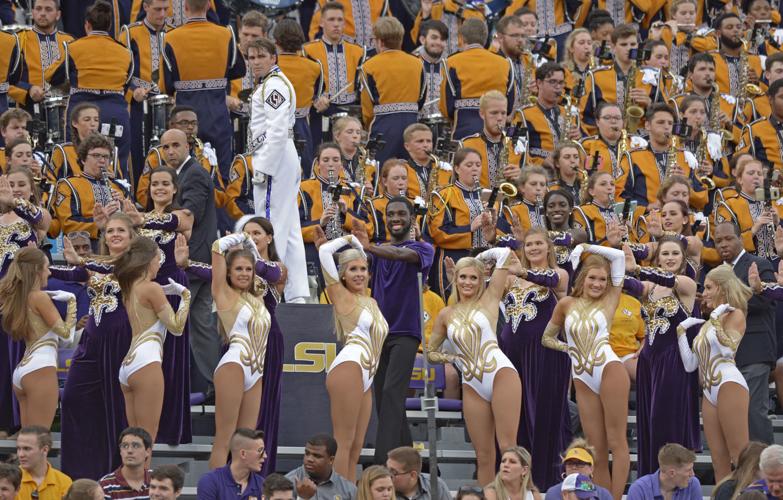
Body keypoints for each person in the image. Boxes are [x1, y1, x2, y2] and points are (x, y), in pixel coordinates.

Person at [350, 197, 434, 466]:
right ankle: (412, 462)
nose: (395, 218)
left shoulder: (423, 248)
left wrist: (369, 247)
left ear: (412, 218)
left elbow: (401, 255)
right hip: (379, 334)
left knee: (392, 395)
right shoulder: (377, 252)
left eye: (401, 213)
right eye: (390, 214)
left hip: (406, 333)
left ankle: (380, 465)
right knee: (386, 400)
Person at [428, 247, 522, 485]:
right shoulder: (446, 314)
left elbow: (505, 255)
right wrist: (452, 359)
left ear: (481, 280)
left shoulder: (489, 299)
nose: (468, 282)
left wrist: (479, 258)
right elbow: (431, 353)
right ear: (455, 279)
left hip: (501, 374)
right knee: (483, 455)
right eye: (463, 277)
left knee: (508, 449)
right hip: (471, 382)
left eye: (473, 277)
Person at [542, 244, 630, 499]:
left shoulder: (610, 299)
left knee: (617, 441)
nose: (598, 283)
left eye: (603, 279)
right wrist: (568, 347)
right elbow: (546, 338)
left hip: (609, 369)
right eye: (593, 277)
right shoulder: (566, 303)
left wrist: (585, 247)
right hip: (581, 377)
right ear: (583, 277)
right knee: (596, 449)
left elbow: (618, 257)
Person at [59, 213, 136, 479]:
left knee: (115, 406)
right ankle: (78, 474)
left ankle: (114, 473)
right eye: (110, 230)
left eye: (121, 231)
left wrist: (82, 261)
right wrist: (39, 266)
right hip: (91, 341)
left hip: (121, 340)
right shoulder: (95, 264)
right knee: (72, 398)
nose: (114, 234)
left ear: (131, 236)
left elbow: (118, 271)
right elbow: (71, 272)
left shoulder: (140, 261)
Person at [499, 228, 571, 490]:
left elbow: (551, 279)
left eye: (539, 243)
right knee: (514, 416)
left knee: (544, 413)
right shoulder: (510, 279)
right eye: (529, 244)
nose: (533, 248)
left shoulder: (560, 275)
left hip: (545, 356)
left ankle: (546, 482)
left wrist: (521, 272)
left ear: (549, 248)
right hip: (511, 356)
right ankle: (514, 481)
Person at [315, 230, 388, 481]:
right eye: (353, 269)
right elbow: (324, 252)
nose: (359, 274)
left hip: (366, 373)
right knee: (343, 443)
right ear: (343, 275)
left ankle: (348, 492)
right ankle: (335, 494)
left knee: (357, 446)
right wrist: (350, 240)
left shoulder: (372, 302)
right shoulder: (341, 295)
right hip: (350, 367)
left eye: (362, 269)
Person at [630, 236, 701, 476]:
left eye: (675, 254)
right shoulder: (650, 288)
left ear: (683, 258)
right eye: (665, 254)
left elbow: (666, 278)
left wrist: (638, 269)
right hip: (648, 361)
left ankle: (674, 480)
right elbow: (628, 285)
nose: (670, 258)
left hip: (673, 361)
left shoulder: (686, 284)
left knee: (664, 422)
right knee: (649, 423)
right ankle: (650, 481)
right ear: (658, 258)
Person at [247, 37, 309, 304]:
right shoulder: (271, 83)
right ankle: (297, 294)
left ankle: (271, 289)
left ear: (274, 57)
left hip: (275, 155)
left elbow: (276, 128)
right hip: (282, 154)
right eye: (251, 57)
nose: (256, 62)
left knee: (271, 223)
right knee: (291, 228)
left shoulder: (274, 84)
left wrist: (264, 166)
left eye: (261, 56)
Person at [678, 264, 752, 480]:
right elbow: (691, 364)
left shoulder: (735, 314)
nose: (705, 293)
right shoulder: (707, 324)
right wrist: (681, 333)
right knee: (718, 462)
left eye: (709, 287)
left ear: (721, 288)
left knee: (740, 457)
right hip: (709, 390)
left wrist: (716, 320)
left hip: (729, 384)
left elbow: (728, 349)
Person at [158, 128, 218, 395]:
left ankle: (170, 382)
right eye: (165, 147)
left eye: (175, 145)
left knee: (172, 320)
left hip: (190, 259)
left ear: (189, 146)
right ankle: (215, 382)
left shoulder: (193, 174)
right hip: (198, 260)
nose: (170, 151)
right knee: (201, 324)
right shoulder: (185, 173)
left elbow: (188, 214)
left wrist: (148, 219)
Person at [113, 237, 190, 440]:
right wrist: (185, 296)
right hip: (146, 362)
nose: (160, 264)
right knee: (147, 438)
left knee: (133, 439)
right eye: (158, 259)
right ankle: (143, 473)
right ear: (149, 260)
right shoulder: (152, 288)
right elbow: (176, 327)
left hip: (128, 364)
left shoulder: (129, 289)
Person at [47, 1, 133, 178]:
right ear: (109, 25)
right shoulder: (125, 52)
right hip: (116, 112)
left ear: (87, 24)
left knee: (78, 160)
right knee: (117, 163)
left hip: (82, 112)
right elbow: (127, 82)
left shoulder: (73, 47)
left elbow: (52, 76)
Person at [159, 0, 245, 175]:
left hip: (186, 116)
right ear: (208, 6)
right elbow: (239, 70)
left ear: (185, 7)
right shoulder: (226, 34)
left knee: (185, 170)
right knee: (221, 171)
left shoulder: (170, 37)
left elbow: (165, 85)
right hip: (218, 115)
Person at [208, 232, 272, 468]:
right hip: (233, 366)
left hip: (256, 372)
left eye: (248, 269)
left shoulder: (259, 297)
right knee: (225, 438)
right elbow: (216, 247)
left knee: (247, 441)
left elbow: (270, 270)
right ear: (228, 272)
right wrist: (240, 237)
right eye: (239, 269)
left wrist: (252, 250)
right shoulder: (223, 293)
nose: (244, 273)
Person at [712, 221, 776, 445]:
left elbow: (766, 302)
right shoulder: (715, 273)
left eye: (729, 238)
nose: (723, 244)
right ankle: (739, 467)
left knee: (753, 413)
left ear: (740, 239)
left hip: (754, 352)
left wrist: (724, 301)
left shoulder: (758, 264)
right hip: (725, 355)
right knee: (731, 415)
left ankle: (764, 469)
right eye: (718, 241)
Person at [0, 246, 76, 428]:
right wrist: (72, 302)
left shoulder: (20, 296)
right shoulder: (39, 297)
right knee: (39, 440)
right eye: (47, 267)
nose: (49, 272)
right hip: (40, 369)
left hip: (23, 371)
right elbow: (66, 336)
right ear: (37, 270)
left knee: (28, 441)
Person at [360, 17, 424, 165]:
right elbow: (421, 98)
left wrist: (368, 123)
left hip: (384, 126)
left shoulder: (369, 66)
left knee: (380, 171)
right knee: (411, 171)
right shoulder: (417, 63)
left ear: (380, 41)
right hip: (411, 123)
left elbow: (367, 108)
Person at [120, 0, 170, 185]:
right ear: (146, 7)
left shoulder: (173, 33)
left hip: (168, 103)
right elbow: (119, 70)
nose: (163, 14)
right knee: (138, 151)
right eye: (158, 9)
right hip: (139, 104)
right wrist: (133, 91)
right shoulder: (130, 33)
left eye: (166, 9)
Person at [441, 19, 513, 140]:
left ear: (462, 38)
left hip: (464, 129)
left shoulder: (451, 62)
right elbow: (509, 104)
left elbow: (446, 106)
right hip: (497, 130)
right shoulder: (504, 63)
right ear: (486, 38)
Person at [274, 19, 323, 177]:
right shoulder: (314, 67)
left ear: (277, 41)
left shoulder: (271, 66)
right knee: (304, 170)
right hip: (301, 125)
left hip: (275, 124)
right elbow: (318, 93)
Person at [6, 0, 74, 115]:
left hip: (65, 111)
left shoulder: (70, 42)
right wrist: (29, 89)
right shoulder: (18, 40)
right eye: (38, 9)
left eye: (48, 9)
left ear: (58, 15)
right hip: (27, 111)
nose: (42, 13)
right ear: (32, 13)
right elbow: (5, 79)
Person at [459, 91, 522, 190]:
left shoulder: (517, 145)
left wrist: (522, 176)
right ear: (482, 114)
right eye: (494, 113)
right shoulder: (467, 145)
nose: (500, 118)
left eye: (503, 113)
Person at [198, 429, 266, 499]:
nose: (265, 456)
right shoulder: (210, 481)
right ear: (243, 454)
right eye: (260, 451)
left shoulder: (262, 485)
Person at [285, 434, 358, 500]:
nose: (309, 459)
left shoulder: (348, 490)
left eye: (317, 456)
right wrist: (302, 498)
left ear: (331, 460)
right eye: (307, 453)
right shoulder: (288, 482)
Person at [626, 444, 702, 500]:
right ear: (672, 473)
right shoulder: (639, 489)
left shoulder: (693, 484)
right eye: (688, 470)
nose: (693, 474)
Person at [16, 426, 73, 499]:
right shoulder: (8, 480)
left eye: (27, 449)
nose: (21, 454)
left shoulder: (64, 482)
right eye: (18, 448)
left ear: (45, 450)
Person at [544, 440, 613, 500]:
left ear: (591, 468)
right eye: (570, 463)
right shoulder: (553, 493)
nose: (574, 467)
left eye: (580, 464)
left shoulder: (603, 495)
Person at [99, 427, 153, 499]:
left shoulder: (157, 479)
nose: (129, 451)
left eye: (136, 446)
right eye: (125, 446)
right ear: (120, 451)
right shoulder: (105, 485)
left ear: (148, 451)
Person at [386, 446, 451, 500]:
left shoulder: (436, 485)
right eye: (386, 470)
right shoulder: (382, 488)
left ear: (413, 475)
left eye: (393, 473)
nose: (387, 476)